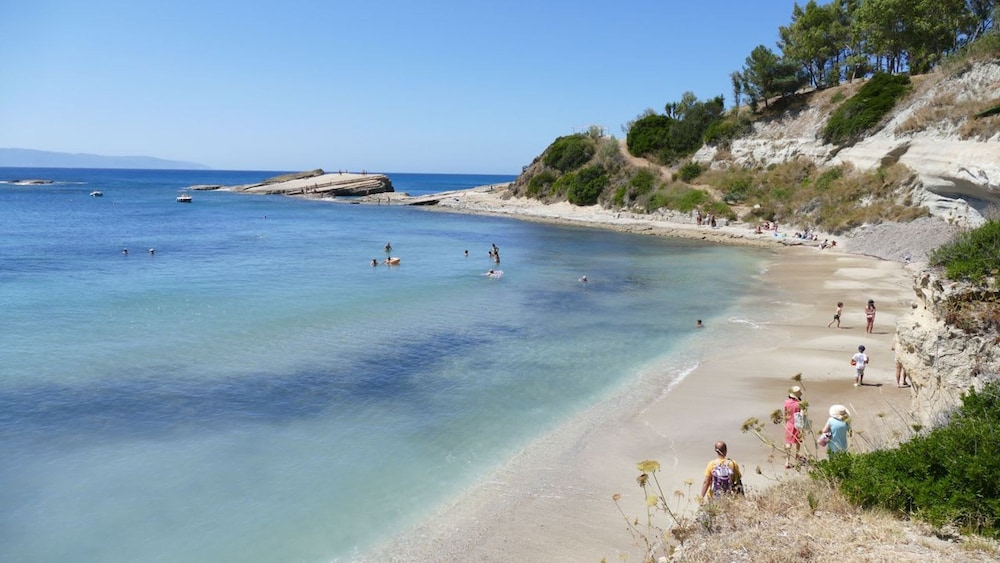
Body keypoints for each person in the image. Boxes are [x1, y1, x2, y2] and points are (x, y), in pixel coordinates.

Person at [783, 386, 804, 468]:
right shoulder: (800, 404)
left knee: (788, 443)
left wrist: (786, 423)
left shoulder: (786, 402)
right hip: (797, 424)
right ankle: (796, 459)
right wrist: (801, 428)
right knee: (798, 442)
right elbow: (801, 415)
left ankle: (787, 462)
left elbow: (785, 414)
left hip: (789, 424)